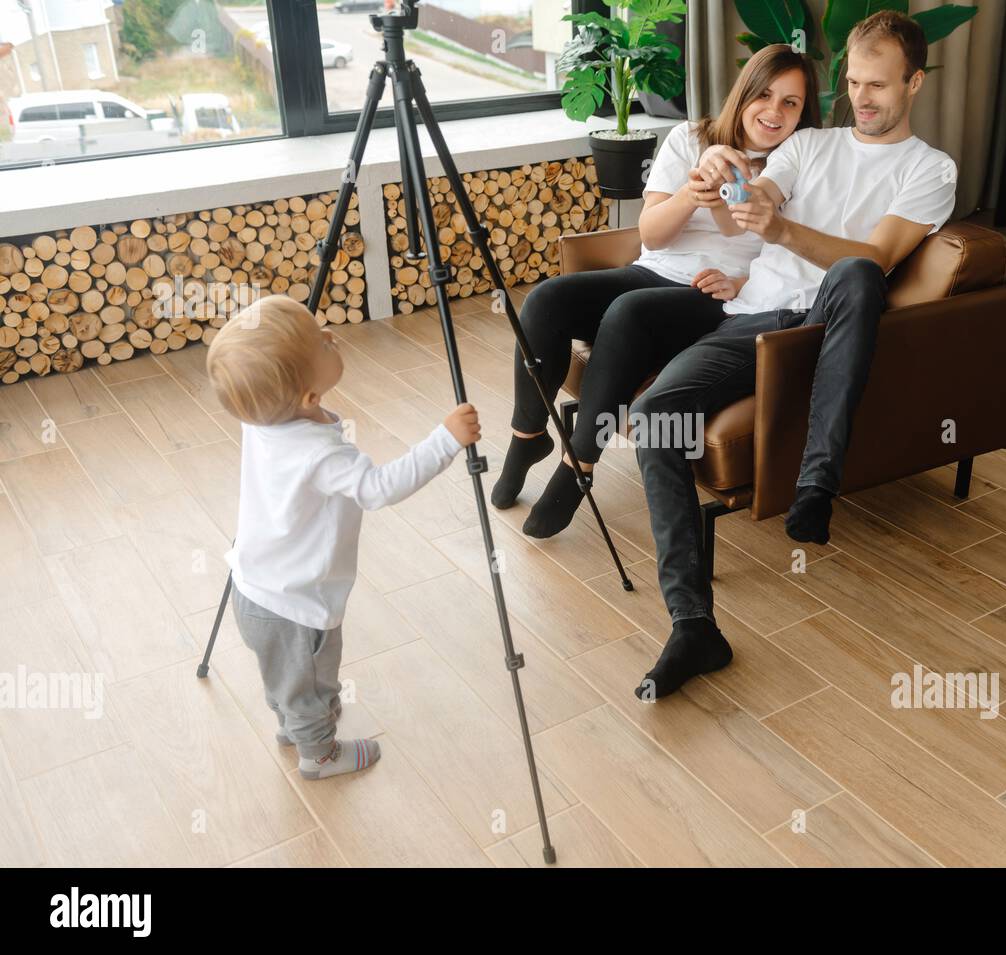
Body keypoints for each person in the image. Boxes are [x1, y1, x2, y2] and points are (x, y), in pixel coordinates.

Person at [631, 11, 958, 701]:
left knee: (858, 272)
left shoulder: (930, 169)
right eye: (855, 81)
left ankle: (817, 483)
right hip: (754, 322)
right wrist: (726, 176)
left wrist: (782, 229)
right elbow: (758, 195)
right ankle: (694, 625)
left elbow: (877, 256)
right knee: (656, 417)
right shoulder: (808, 144)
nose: (863, 97)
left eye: (880, 84)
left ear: (915, 82)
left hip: (833, 324)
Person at [490, 44, 820, 539]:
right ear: (743, 93)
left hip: (721, 296)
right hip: (653, 269)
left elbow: (796, 258)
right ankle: (527, 436)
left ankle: (578, 465)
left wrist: (745, 282)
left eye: (791, 103)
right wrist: (693, 192)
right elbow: (652, 235)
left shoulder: (804, 162)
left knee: (630, 312)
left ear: (804, 111)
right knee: (546, 300)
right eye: (765, 95)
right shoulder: (691, 138)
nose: (774, 112)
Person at [206, 295, 481, 778]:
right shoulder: (318, 454)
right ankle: (319, 754)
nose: (331, 336)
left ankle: (294, 724)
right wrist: (446, 440)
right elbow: (379, 488)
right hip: (296, 605)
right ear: (309, 397)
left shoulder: (261, 420)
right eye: (322, 342)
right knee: (312, 680)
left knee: (287, 677)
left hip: (253, 587)